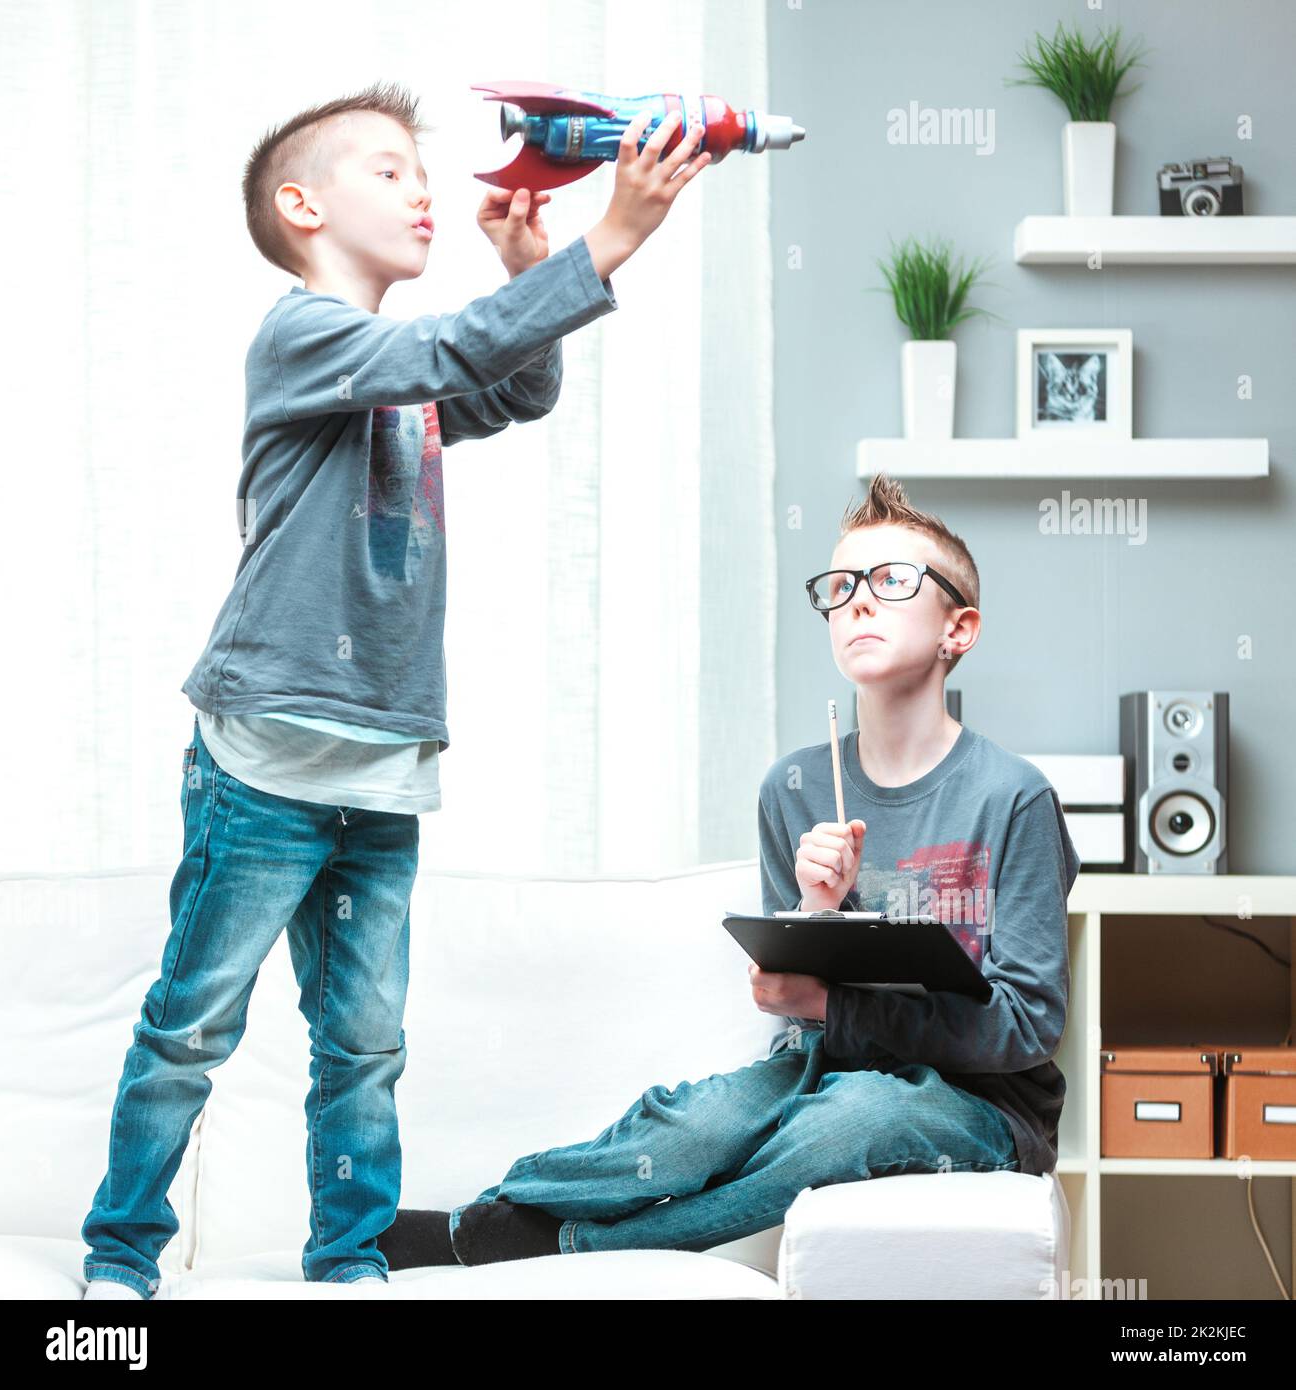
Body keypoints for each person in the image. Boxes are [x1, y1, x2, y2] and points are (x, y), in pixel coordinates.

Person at [79, 80, 710, 1300]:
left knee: (363, 1043)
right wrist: (607, 238)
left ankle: (348, 1260)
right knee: (190, 1029)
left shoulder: (400, 375)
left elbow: (508, 386)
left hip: (379, 767)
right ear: (301, 205)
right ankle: (119, 1260)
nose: (421, 187)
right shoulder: (301, 334)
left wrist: (527, 261)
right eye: (386, 169)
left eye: (421, 171)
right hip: (262, 763)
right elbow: (449, 348)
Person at [378, 471, 1080, 1268]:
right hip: (825, 1063)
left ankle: (520, 1243)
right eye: (842, 584)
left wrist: (832, 1007)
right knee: (693, 1128)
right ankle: (494, 1214)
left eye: (891, 581)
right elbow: (794, 1009)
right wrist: (816, 913)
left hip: (983, 1102)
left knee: (848, 1120)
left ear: (960, 629)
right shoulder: (794, 788)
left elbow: (1028, 1025)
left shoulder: (1014, 796)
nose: (857, 600)